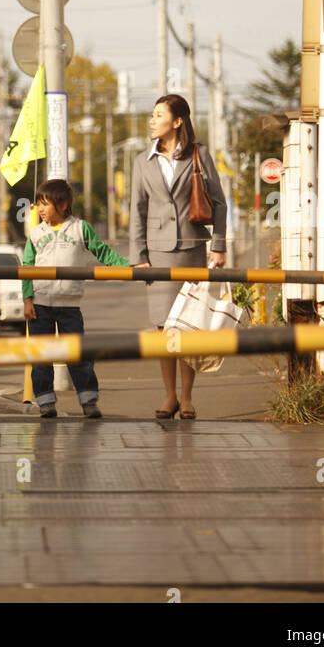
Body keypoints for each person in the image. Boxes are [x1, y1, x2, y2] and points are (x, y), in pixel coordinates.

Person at [130, 94, 227, 420]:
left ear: (177, 121)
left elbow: (220, 203)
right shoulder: (142, 161)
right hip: (156, 254)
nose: (152, 120)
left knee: (188, 326)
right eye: (152, 115)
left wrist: (219, 245)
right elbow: (137, 212)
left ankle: (187, 397)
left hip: (191, 249)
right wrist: (138, 256)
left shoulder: (199, 155)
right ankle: (169, 395)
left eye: (159, 115)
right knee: (162, 329)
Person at [23, 178, 129, 419]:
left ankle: (88, 400)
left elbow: (103, 252)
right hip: (40, 304)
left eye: (45, 204)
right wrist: (27, 299)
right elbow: (27, 266)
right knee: (41, 356)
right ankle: (46, 402)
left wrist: (128, 267)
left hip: (69, 304)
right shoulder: (36, 233)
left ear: (63, 205)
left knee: (77, 354)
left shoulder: (81, 228)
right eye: (38, 204)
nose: (40, 209)